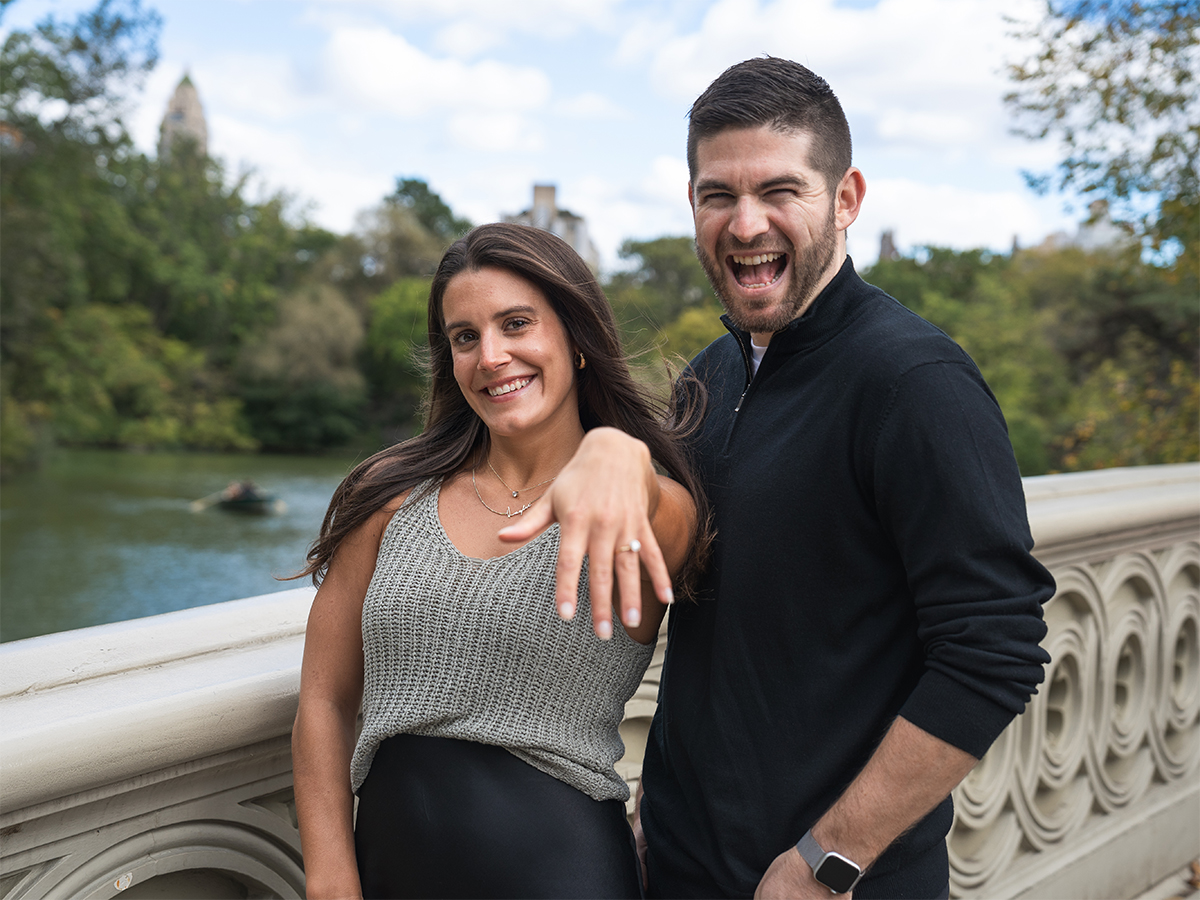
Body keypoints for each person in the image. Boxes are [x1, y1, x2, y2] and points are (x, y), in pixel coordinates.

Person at [501, 58, 1055, 898]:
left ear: (846, 198)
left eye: (780, 191)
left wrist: (826, 861)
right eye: (718, 194)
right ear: (692, 205)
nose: (745, 222)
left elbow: (995, 653)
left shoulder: (916, 382)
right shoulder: (709, 375)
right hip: (679, 870)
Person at [291, 222, 707, 899]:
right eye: (465, 337)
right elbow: (324, 698)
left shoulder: (642, 508)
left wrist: (615, 452)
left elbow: (659, 506)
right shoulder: (391, 500)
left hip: (563, 873)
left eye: (517, 324)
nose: (491, 356)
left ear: (576, 341)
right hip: (389, 872)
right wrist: (330, 877)